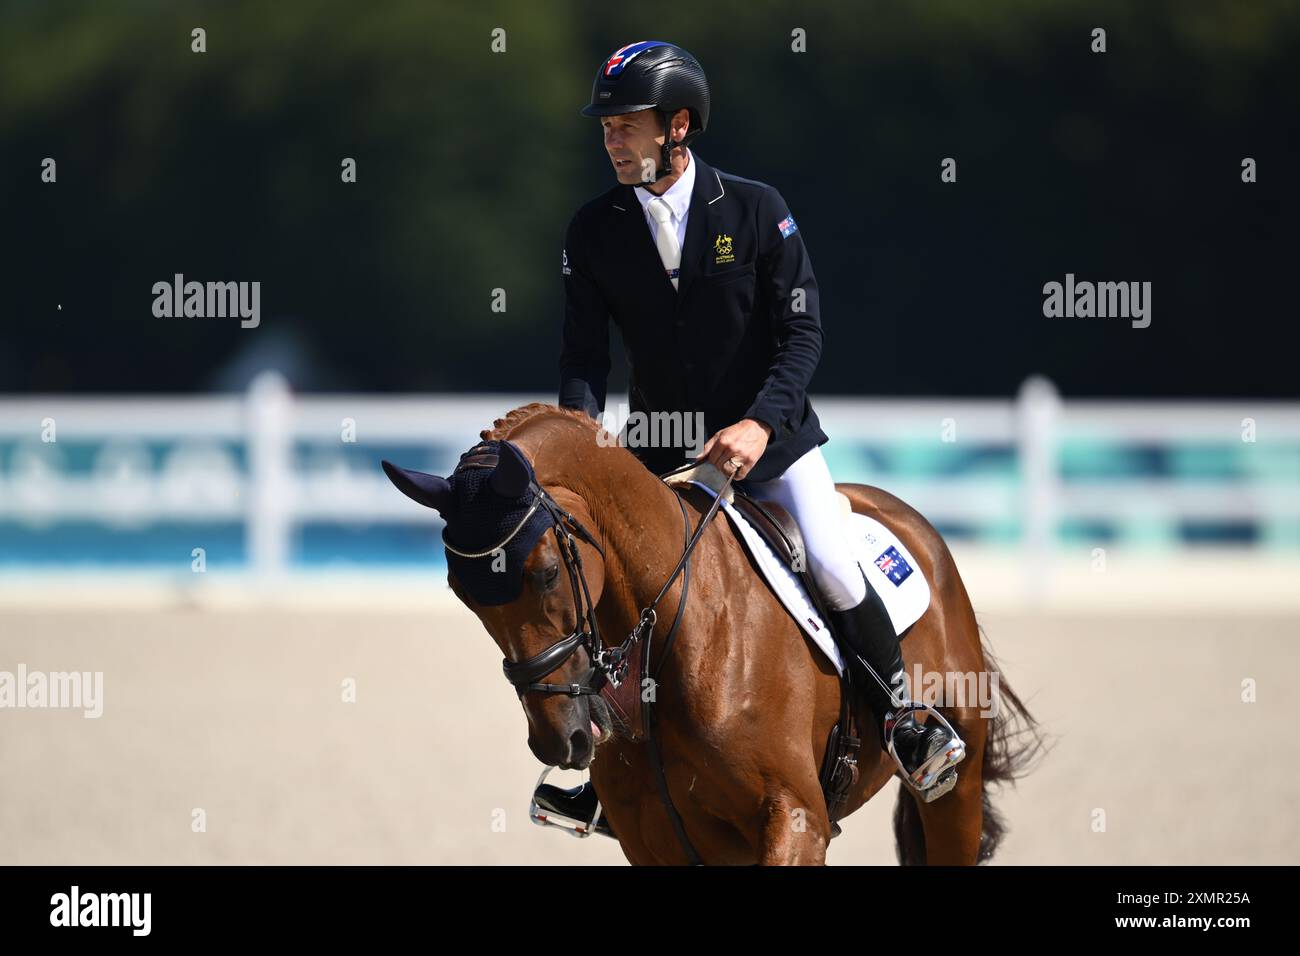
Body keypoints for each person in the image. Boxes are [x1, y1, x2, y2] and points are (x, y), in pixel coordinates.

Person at [542, 41, 963, 832]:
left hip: (773, 445)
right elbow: (583, 357)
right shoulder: (593, 230)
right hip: (662, 452)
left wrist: (757, 424)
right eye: (606, 129)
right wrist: (576, 437)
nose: (612, 141)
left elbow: (801, 338)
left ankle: (906, 723)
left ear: (680, 127)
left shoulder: (755, 209)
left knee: (835, 563)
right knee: (603, 589)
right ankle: (604, 767)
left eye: (626, 126)